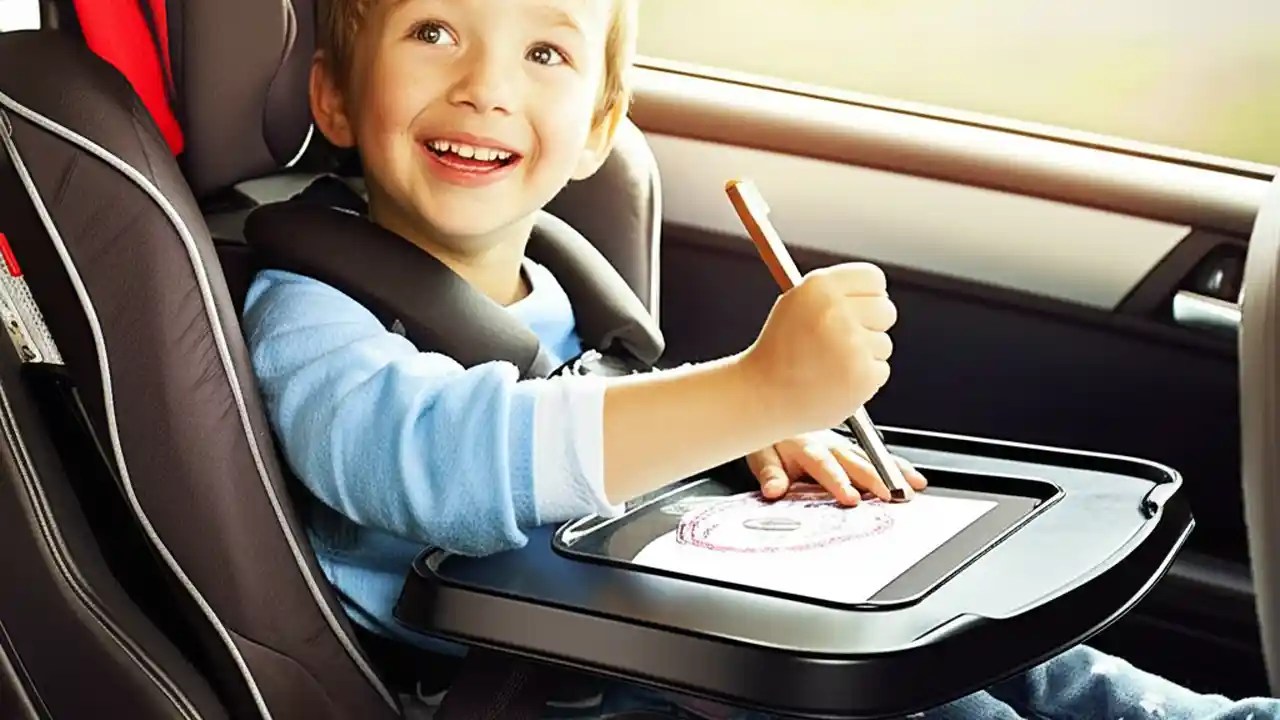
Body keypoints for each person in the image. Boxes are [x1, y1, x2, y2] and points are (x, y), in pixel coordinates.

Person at [240, 0, 1280, 717]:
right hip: (544, 682)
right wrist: (744, 390)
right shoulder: (310, 308)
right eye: (433, 31)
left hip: (642, 615)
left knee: (1009, 649)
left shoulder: (548, 282)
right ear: (332, 97)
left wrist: (744, 430)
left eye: (544, 53)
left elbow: (583, 415)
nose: (484, 88)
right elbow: (435, 462)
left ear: (600, 124)